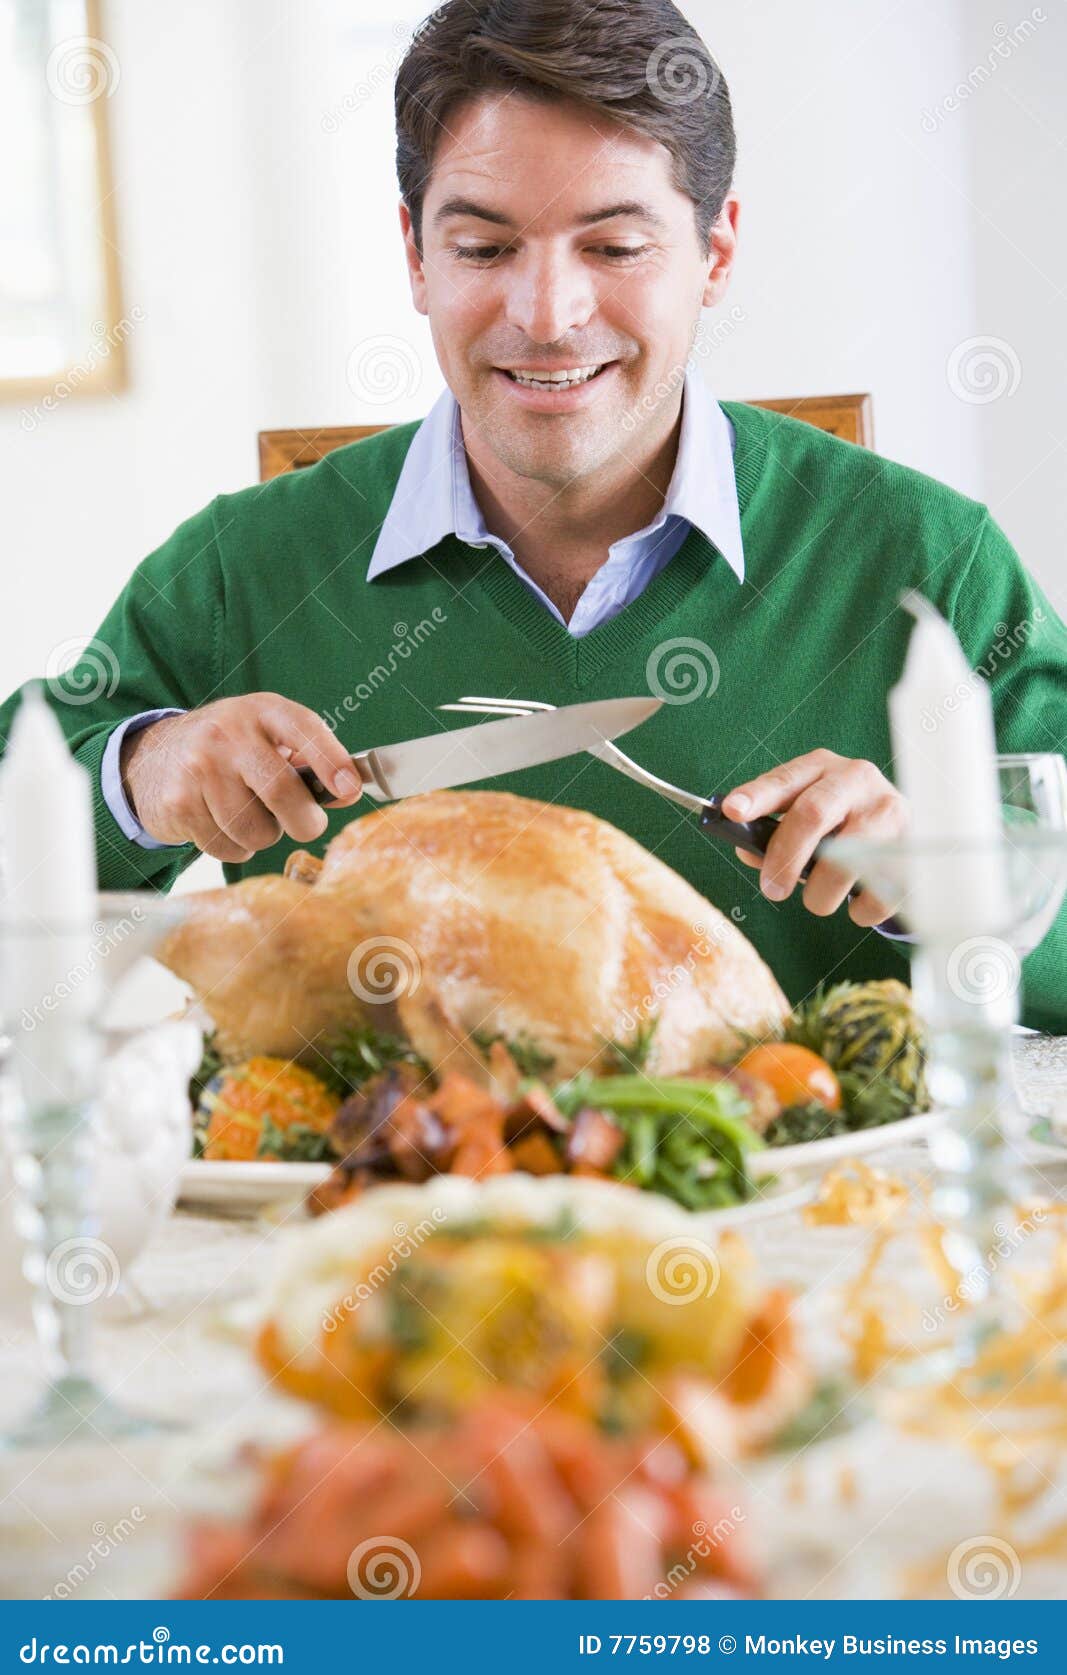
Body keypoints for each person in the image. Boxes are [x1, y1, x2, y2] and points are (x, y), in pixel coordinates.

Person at [4, 0, 1067, 1026]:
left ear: (717, 252)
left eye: (613, 247)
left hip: (820, 1201)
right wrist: (135, 779)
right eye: (482, 248)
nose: (548, 317)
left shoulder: (928, 560)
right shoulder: (242, 569)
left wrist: (960, 878)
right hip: (366, 1204)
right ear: (416, 259)